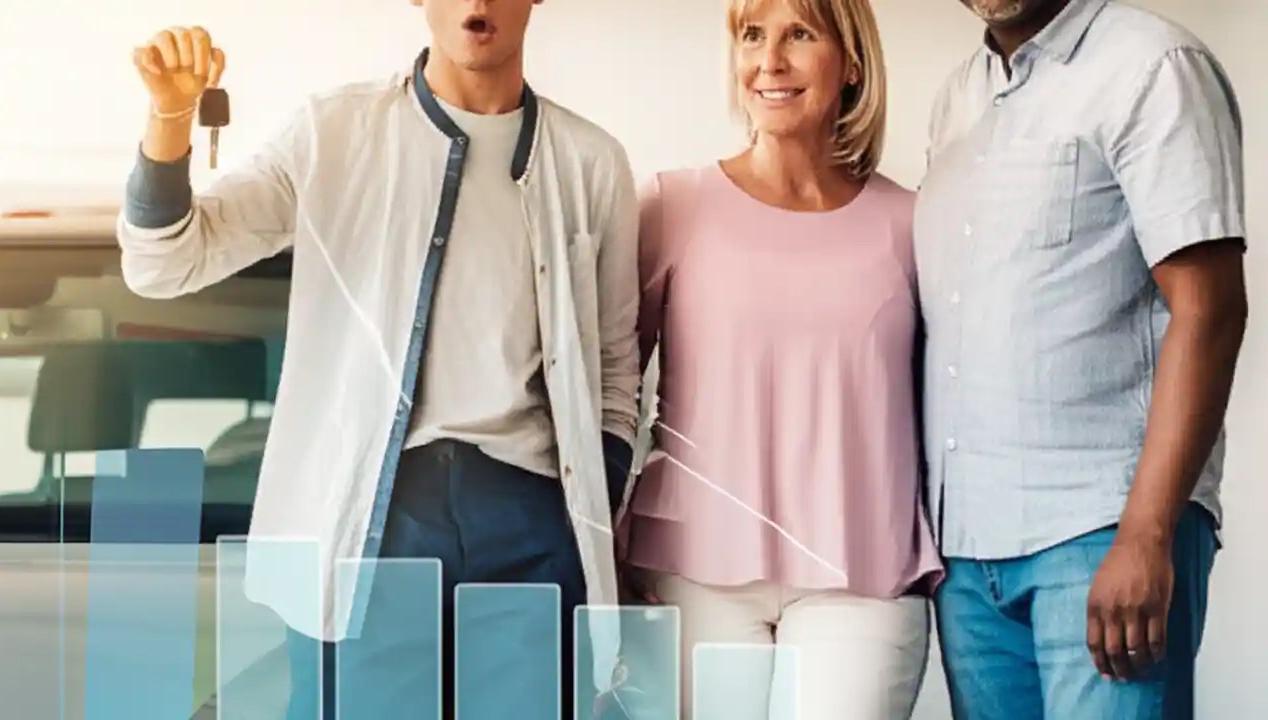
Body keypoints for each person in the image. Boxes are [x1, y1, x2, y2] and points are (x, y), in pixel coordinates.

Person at [117, 1, 640, 718]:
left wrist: (586, 503)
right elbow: (164, 263)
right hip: (367, 528)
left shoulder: (592, 162)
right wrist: (171, 118)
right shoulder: (334, 132)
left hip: (531, 524)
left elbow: (614, 365)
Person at [915, 0, 1248, 718]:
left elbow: (1211, 310)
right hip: (969, 552)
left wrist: (1146, 533)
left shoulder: (1153, 66)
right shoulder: (957, 97)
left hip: (1103, 530)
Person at [620, 0, 943, 717]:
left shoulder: (911, 223)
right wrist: (600, 541)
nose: (769, 61)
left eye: (799, 34)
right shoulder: (673, 206)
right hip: (689, 572)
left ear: (851, 62)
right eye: (751, 36)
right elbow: (611, 389)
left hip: (861, 578)